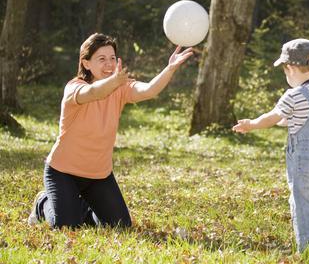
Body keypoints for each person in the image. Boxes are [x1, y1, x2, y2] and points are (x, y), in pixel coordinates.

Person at [28, 33, 193, 228]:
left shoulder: (120, 87)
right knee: (66, 227)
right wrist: (115, 81)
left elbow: (149, 90)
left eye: (112, 58)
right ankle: (42, 203)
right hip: (62, 173)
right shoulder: (74, 88)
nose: (109, 64)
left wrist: (170, 68)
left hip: (99, 175)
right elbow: (95, 92)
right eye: (102, 59)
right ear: (86, 63)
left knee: (120, 226)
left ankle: (79, 206)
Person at [232, 38, 309, 253]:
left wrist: (252, 124)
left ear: (290, 68)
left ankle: (308, 249)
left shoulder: (293, 95)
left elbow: (273, 117)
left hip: (304, 159)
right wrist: (286, 121)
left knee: (304, 201)